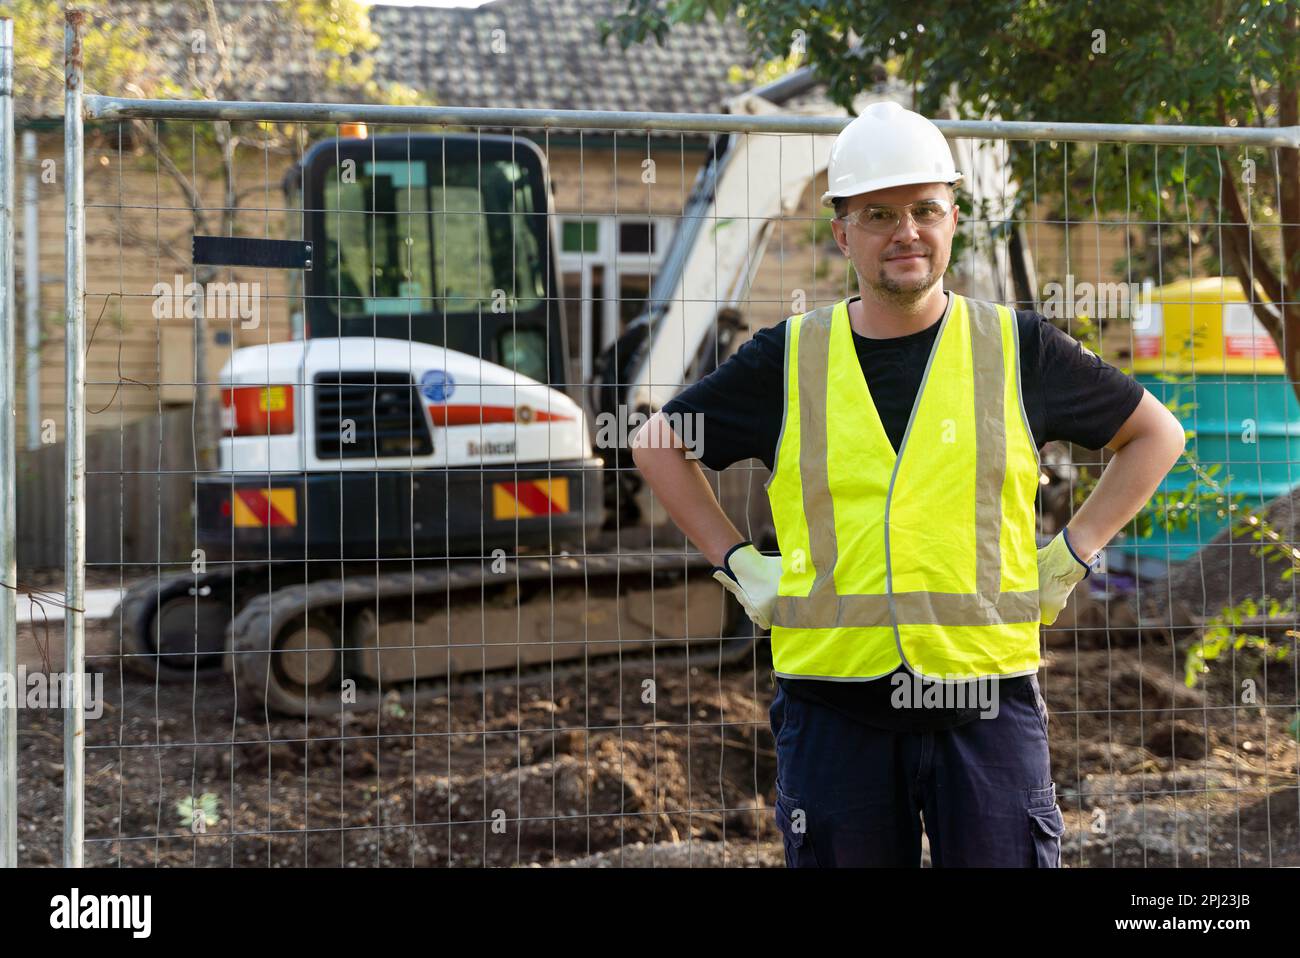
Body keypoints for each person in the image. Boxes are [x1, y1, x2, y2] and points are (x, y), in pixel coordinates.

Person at [630, 100, 1186, 867]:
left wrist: (1077, 547)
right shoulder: (786, 360)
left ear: (954, 218)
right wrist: (736, 563)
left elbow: (1156, 435)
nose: (907, 231)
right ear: (842, 231)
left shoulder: (1019, 348)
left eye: (926, 209)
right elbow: (658, 442)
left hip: (984, 703)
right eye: (879, 213)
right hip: (833, 708)